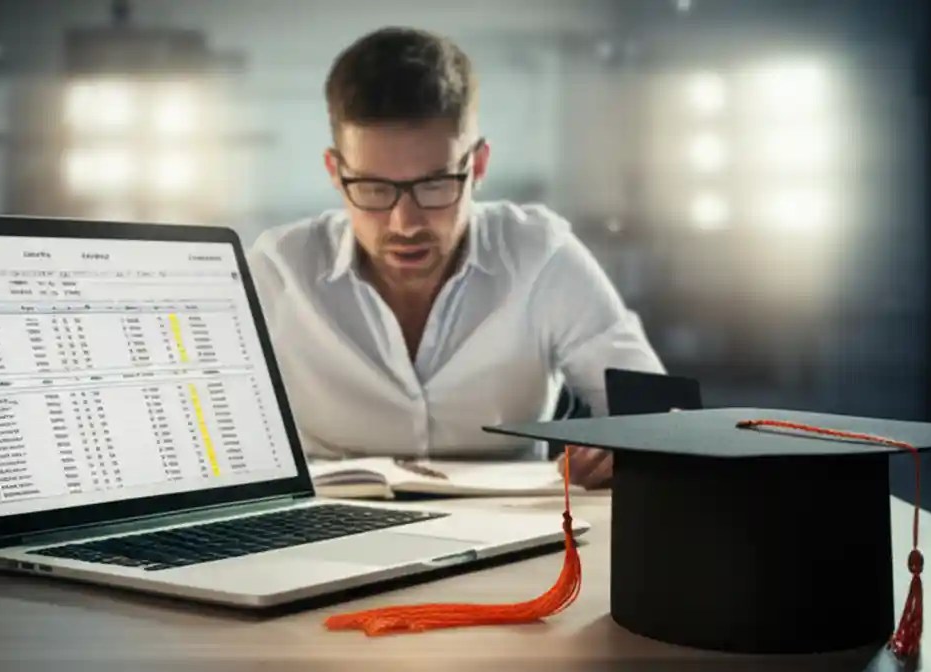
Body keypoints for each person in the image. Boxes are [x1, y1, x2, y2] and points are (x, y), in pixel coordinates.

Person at [247, 27, 664, 488]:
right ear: (335, 171)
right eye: (373, 188)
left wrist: (623, 447)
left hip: (515, 528)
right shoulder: (278, 270)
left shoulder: (540, 254)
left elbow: (658, 415)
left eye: (434, 185)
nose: (404, 224)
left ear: (478, 166)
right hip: (328, 531)